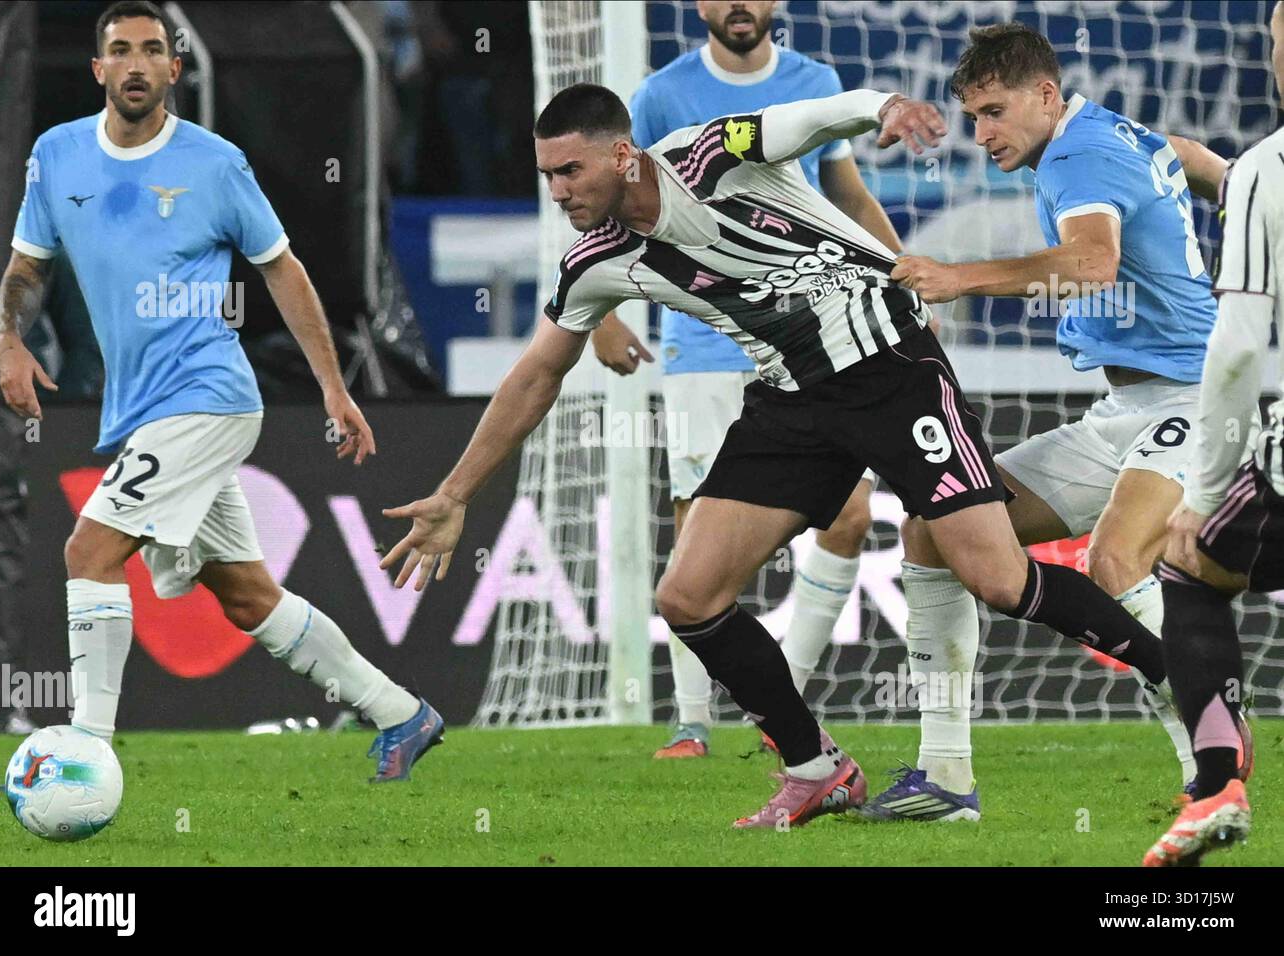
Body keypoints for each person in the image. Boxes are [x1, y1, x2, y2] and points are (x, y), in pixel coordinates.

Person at [380, 79, 1180, 828]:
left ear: (623, 156)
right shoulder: (595, 264)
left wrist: (884, 108)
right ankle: (815, 765)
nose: (559, 192)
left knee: (999, 579)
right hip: (792, 403)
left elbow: (813, 118)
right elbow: (535, 377)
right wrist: (455, 495)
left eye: (571, 170)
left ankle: (1180, 681)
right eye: (548, 175)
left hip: (890, 371)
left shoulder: (707, 154)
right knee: (688, 597)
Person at [0, 1, 441, 781]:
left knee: (89, 551)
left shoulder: (214, 163)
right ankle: (403, 714)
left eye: (153, 50)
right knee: (245, 595)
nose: (136, 64)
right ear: (98, 69)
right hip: (142, 411)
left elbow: (283, 269)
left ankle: (85, 755)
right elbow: (29, 268)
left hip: (208, 397)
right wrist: (7, 338)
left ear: (175, 67)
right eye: (120, 51)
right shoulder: (57, 156)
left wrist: (335, 387)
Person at [880, 21, 1245, 821]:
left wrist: (957, 277)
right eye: (973, 116)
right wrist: (1244, 198)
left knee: (1116, 560)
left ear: (1046, 95)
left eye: (995, 111)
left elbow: (1092, 263)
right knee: (935, 528)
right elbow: (1187, 153)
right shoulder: (1105, 130)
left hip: (1195, 398)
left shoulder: (1078, 156)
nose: (982, 134)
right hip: (1126, 408)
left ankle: (1211, 766)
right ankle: (944, 779)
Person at [589, 0, 897, 760]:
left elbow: (845, 194)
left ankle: (776, 700)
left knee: (850, 516)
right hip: (704, 341)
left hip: (810, 338)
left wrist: (903, 271)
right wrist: (599, 313)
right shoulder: (660, 94)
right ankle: (692, 722)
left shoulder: (813, 78)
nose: (740, 5)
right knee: (697, 523)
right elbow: (613, 198)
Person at [1142, 0, 1284, 869]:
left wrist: (1197, 497)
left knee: (1189, 568)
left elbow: (1235, 351)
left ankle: (1218, 783)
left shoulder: (1267, 169)